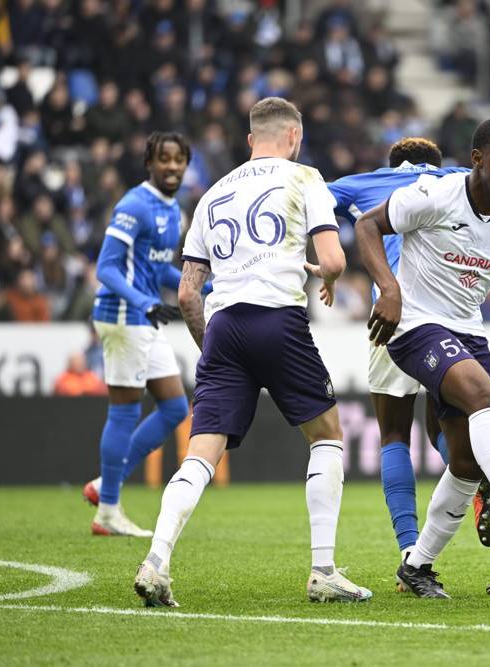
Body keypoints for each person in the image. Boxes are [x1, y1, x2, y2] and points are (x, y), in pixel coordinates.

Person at [134, 97, 372, 607]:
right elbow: (333, 259)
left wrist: (212, 351)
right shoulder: (304, 178)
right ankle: (323, 572)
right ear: (294, 137)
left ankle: (156, 561)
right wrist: (328, 276)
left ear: (250, 140)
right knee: (327, 436)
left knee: (200, 454)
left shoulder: (212, 194)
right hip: (277, 319)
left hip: (223, 326)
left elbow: (187, 293)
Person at [355, 118, 490, 598]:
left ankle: (417, 565)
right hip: (414, 325)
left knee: (468, 463)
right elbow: (366, 225)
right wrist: (388, 289)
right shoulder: (434, 195)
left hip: (468, 330)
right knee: (483, 396)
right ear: (477, 159)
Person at [84, 132, 199, 538]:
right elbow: (106, 268)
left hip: (143, 316)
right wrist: (144, 301)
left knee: (174, 408)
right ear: (149, 162)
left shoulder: (173, 209)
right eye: (164, 158)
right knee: (125, 411)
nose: (172, 166)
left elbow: (157, 268)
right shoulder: (134, 205)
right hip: (122, 314)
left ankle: (105, 484)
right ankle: (107, 511)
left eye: (179, 159)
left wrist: (201, 284)